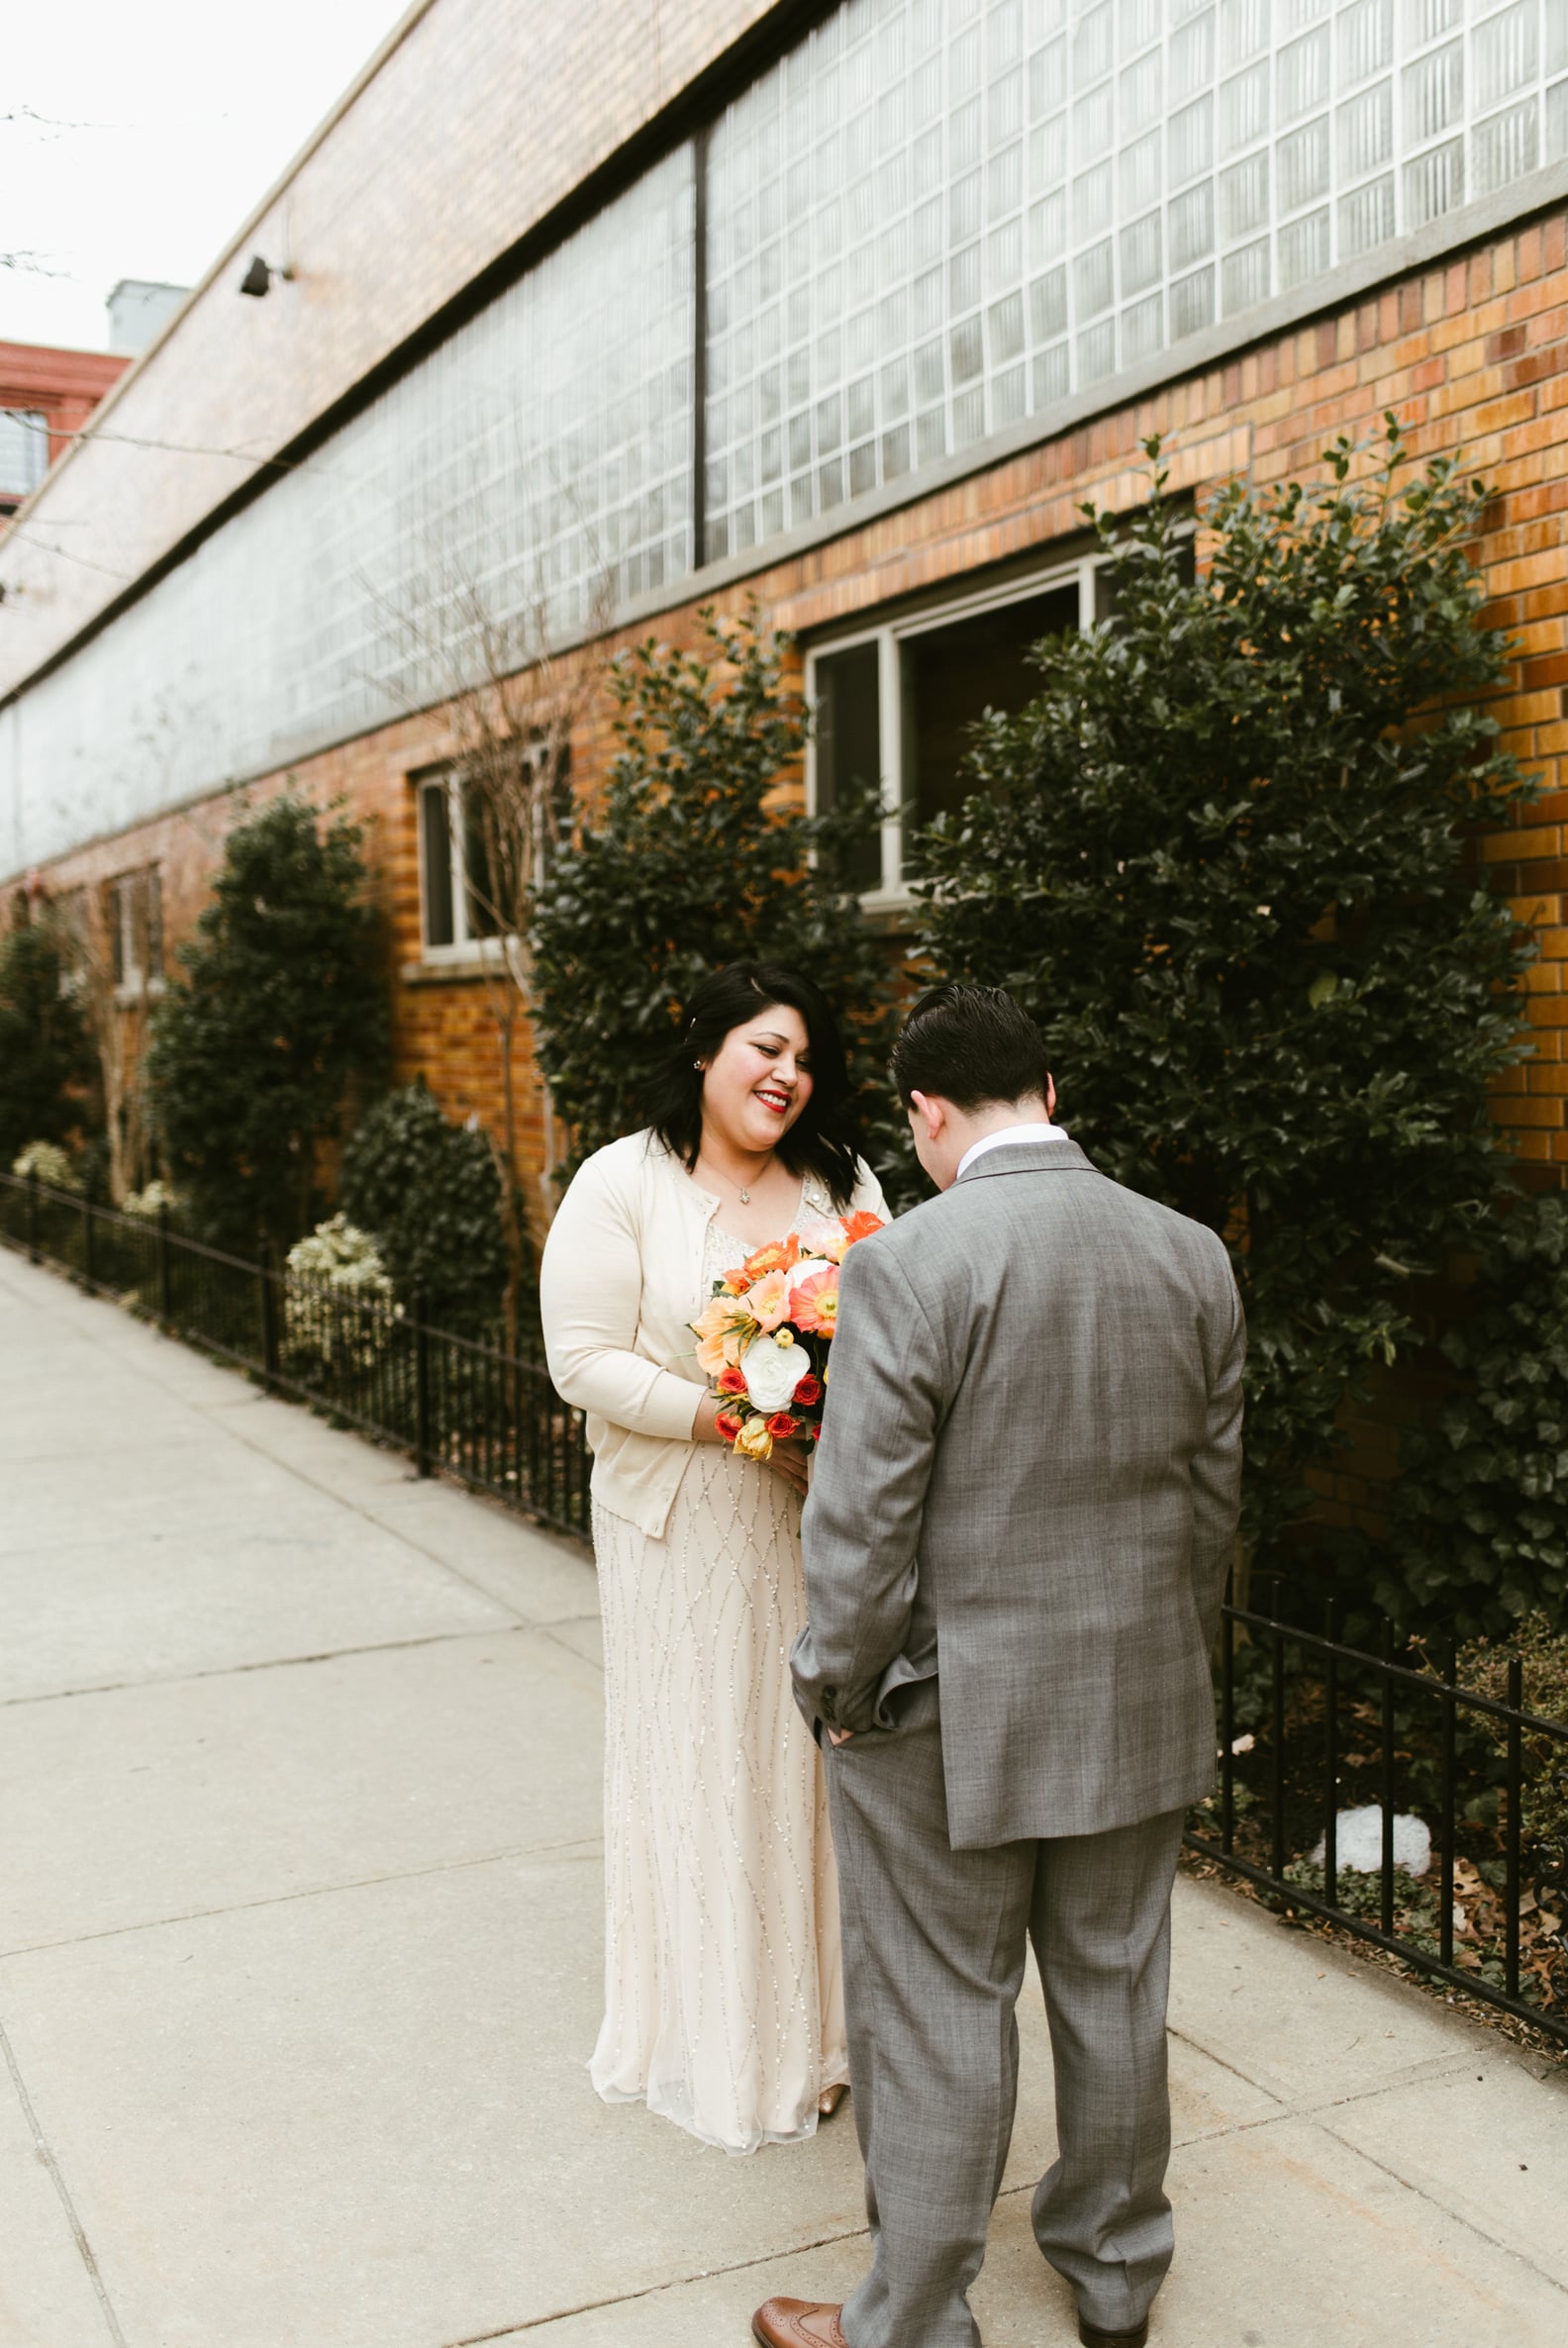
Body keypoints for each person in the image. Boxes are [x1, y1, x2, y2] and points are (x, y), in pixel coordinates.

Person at [754, 984, 1244, 2348]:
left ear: (926, 1111)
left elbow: (863, 1520)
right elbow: (1212, 1502)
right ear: (1048, 1091)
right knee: (1115, 1985)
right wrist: (1163, 1652)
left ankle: (913, 2318)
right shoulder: (1192, 1252)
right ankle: (1116, 2277)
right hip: (1137, 1692)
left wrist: (837, 1686)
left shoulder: (912, 1263)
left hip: (943, 1710)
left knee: (936, 2005)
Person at [539, 960, 888, 2156]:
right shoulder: (620, 1180)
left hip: (817, 1521)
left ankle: (820, 2033)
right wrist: (734, 1419)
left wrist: (830, 1426)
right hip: (681, 1523)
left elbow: (899, 1327)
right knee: (706, 1757)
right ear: (703, 1051)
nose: (789, 1074)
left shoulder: (844, 1182)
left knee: (811, 1766)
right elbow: (582, 1359)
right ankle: (721, 2043)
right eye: (766, 1048)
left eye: (805, 1057)